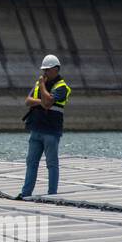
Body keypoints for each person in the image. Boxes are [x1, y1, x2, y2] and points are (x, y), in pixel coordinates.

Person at [16, 54, 71, 199]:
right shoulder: (39, 83)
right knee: (31, 163)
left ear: (56, 69)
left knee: (51, 164)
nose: (44, 72)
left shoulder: (62, 87)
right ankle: (26, 193)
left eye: (47, 69)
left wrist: (41, 89)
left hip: (51, 132)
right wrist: (40, 101)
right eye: (44, 69)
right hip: (36, 129)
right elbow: (28, 101)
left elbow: (49, 102)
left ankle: (52, 195)